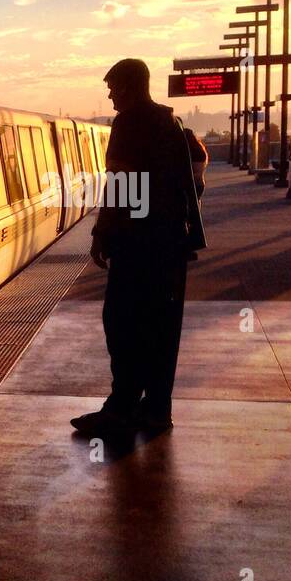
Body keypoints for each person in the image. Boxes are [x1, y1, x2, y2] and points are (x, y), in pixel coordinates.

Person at [70, 59, 204, 440]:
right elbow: (193, 174)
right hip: (170, 245)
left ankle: (122, 407)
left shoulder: (129, 124)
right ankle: (157, 409)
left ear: (129, 86)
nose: (110, 95)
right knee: (161, 327)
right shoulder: (171, 123)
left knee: (122, 321)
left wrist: (102, 233)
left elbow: (122, 185)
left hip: (137, 245)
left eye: (113, 87)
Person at [182, 125, 208, 199]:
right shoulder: (200, 151)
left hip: (193, 185)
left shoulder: (194, 154)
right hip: (200, 184)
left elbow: (195, 173)